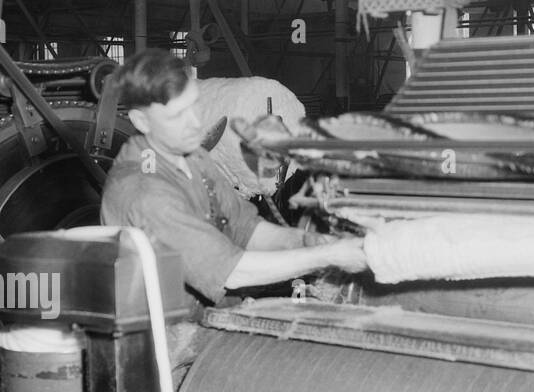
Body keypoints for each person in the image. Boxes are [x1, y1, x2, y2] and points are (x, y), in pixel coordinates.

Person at [100, 48, 367, 310]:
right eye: (177, 115)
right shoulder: (144, 192)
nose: (194, 123)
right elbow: (231, 272)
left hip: (208, 317)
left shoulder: (193, 158)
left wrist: (305, 241)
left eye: (195, 106)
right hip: (166, 336)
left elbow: (245, 228)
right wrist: (326, 257)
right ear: (141, 121)